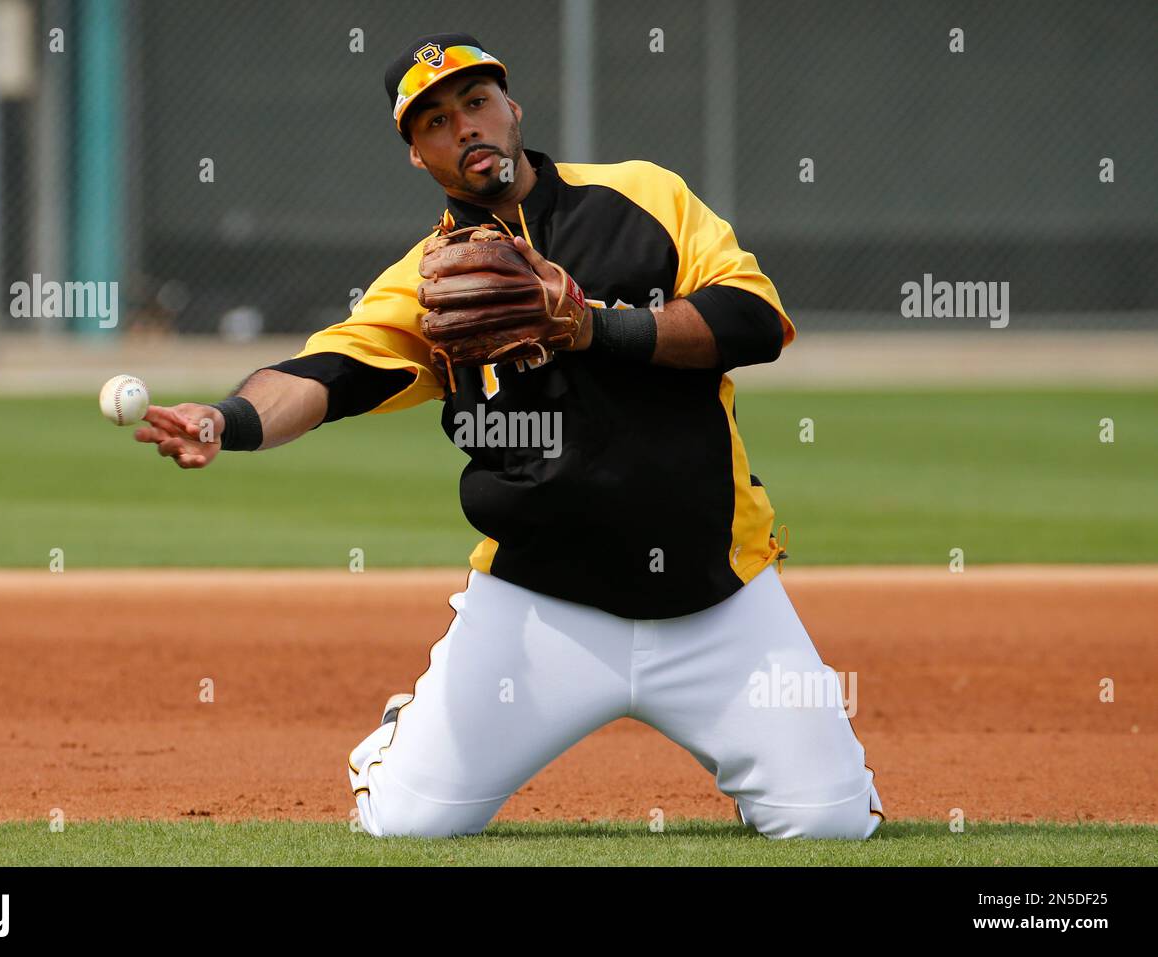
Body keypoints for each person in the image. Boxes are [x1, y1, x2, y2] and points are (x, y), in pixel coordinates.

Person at [136, 32, 883, 840]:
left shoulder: (642, 196)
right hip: (538, 612)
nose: (464, 126)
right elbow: (327, 374)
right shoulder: (428, 282)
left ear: (512, 107)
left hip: (718, 596)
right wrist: (227, 419)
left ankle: (765, 759)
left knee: (830, 823)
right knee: (408, 821)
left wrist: (592, 327)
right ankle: (402, 733)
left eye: (476, 101)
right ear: (417, 155)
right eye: (434, 122)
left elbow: (755, 320)